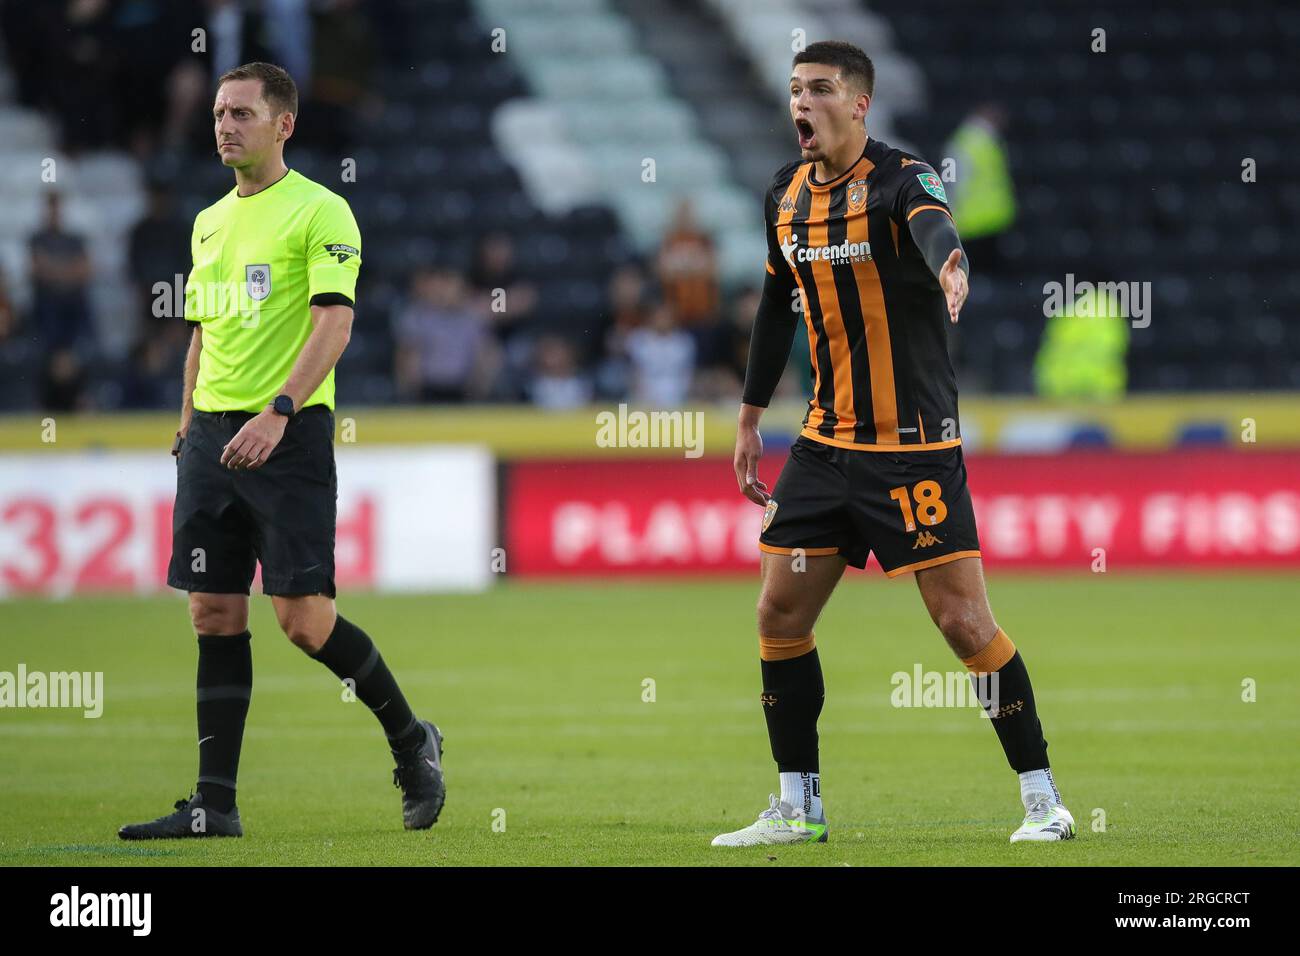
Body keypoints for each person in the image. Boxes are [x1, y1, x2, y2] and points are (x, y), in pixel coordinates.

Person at [715, 42, 1073, 847]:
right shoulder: (784, 193)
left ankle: (1044, 800)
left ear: (860, 103)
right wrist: (747, 416)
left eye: (819, 91)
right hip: (824, 445)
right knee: (778, 611)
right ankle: (797, 805)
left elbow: (936, 228)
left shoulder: (903, 178)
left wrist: (952, 267)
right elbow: (778, 306)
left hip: (911, 450)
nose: (801, 105)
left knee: (963, 625)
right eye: (795, 91)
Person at [119, 62, 445, 840]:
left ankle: (411, 740)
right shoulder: (206, 221)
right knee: (212, 610)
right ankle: (214, 805)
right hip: (209, 433)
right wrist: (185, 420)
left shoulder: (322, 211)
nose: (224, 124)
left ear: (283, 124)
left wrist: (279, 410)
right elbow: (203, 331)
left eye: (240, 113)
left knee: (303, 619)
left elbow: (335, 322)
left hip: (286, 435)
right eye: (219, 113)